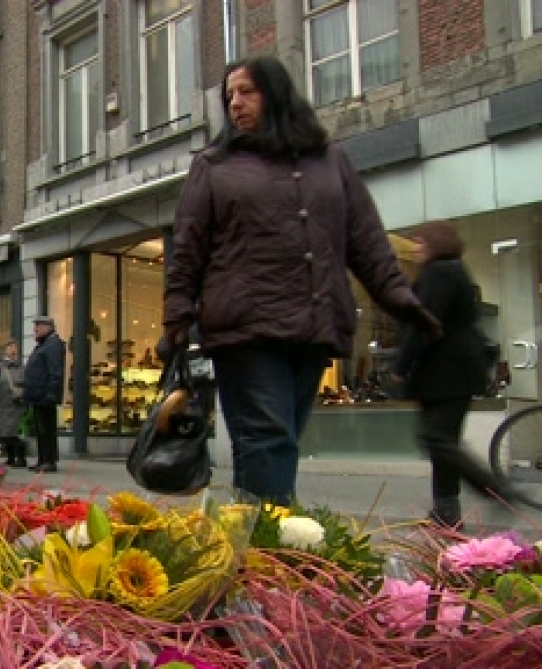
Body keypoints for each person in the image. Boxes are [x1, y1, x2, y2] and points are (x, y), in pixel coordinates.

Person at [162, 56, 440, 505]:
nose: (235, 104)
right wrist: (176, 314)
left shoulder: (329, 160)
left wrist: (401, 299)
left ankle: (250, 531)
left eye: (247, 92)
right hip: (245, 327)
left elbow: (366, 239)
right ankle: (275, 536)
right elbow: (188, 246)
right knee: (269, 437)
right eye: (229, 96)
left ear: (276, 94)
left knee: (275, 439)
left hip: (313, 322)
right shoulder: (215, 165)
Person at [395, 221, 525, 529]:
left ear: (436, 243)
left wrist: (401, 365)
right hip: (456, 371)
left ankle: (494, 489)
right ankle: (446, 512)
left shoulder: (439, 272)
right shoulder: (455, 270)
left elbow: (424, 321)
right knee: (443, 441)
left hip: (445, 372)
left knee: (436, 438)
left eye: (421, 242)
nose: (417, 248)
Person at [22, 316, 66, 473]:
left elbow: (55, 371)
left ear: (48, 327)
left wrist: (51, 393)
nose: (35, 329)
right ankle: (43, 460)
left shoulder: (52, 345)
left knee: (46, 430)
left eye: (38, 326)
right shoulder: (44, 344)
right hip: (38, 394)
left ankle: (49, 461)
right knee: (41, 430)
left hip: (45, 395)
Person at [0, 339, 27, 468]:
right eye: (10, 347)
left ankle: (21, 458)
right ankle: (11, 458)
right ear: (5, 350)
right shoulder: (0, 367)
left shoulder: (21, 367)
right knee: (4, 432)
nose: (13, 350)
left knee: (12, 432)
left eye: (15, 347)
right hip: (2, 403)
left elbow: (25, 381)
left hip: (15, 403)